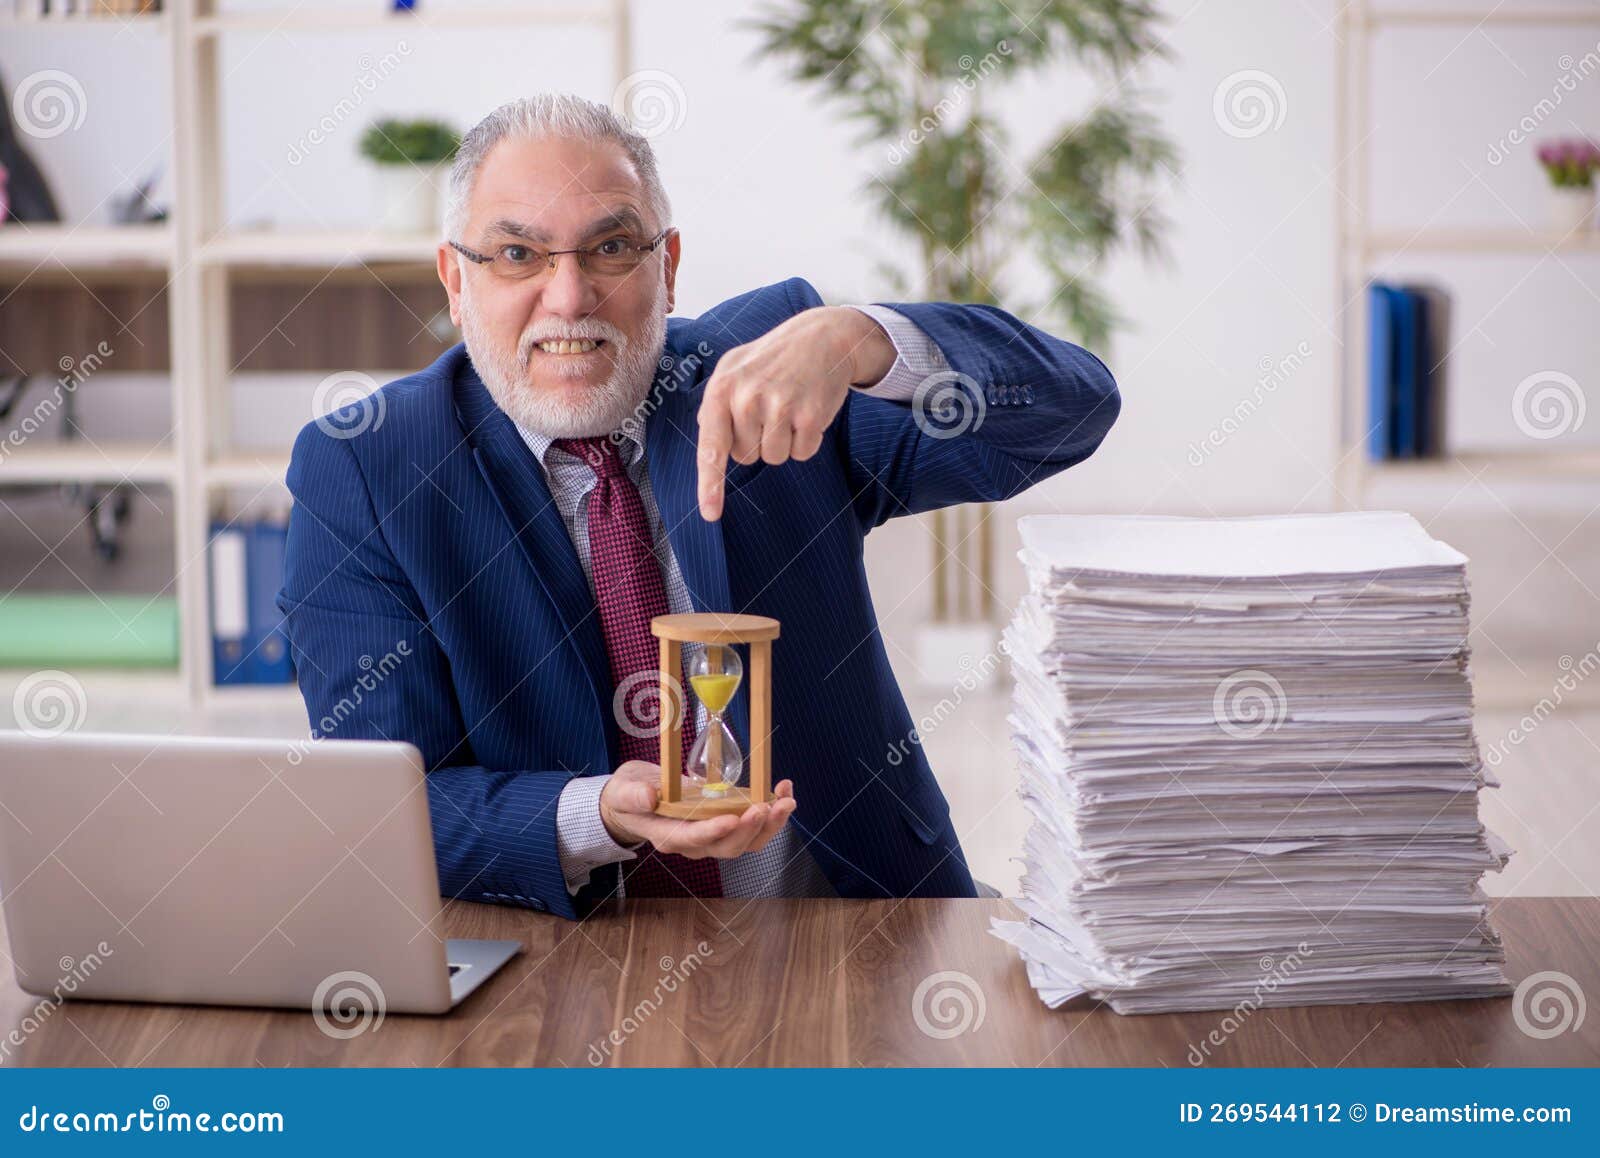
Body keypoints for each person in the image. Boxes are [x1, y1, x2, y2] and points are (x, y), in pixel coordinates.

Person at [278, 94, 1120, 918]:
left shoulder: (762, 386)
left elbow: (1071, 412)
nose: (569, 299)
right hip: (564, 971)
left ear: (667, 267)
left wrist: (864, 340)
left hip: (856, 931)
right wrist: (592, 815)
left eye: (610, 247)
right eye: (517, 255)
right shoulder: (368, 468)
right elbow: (384, 813)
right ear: (454, 280)